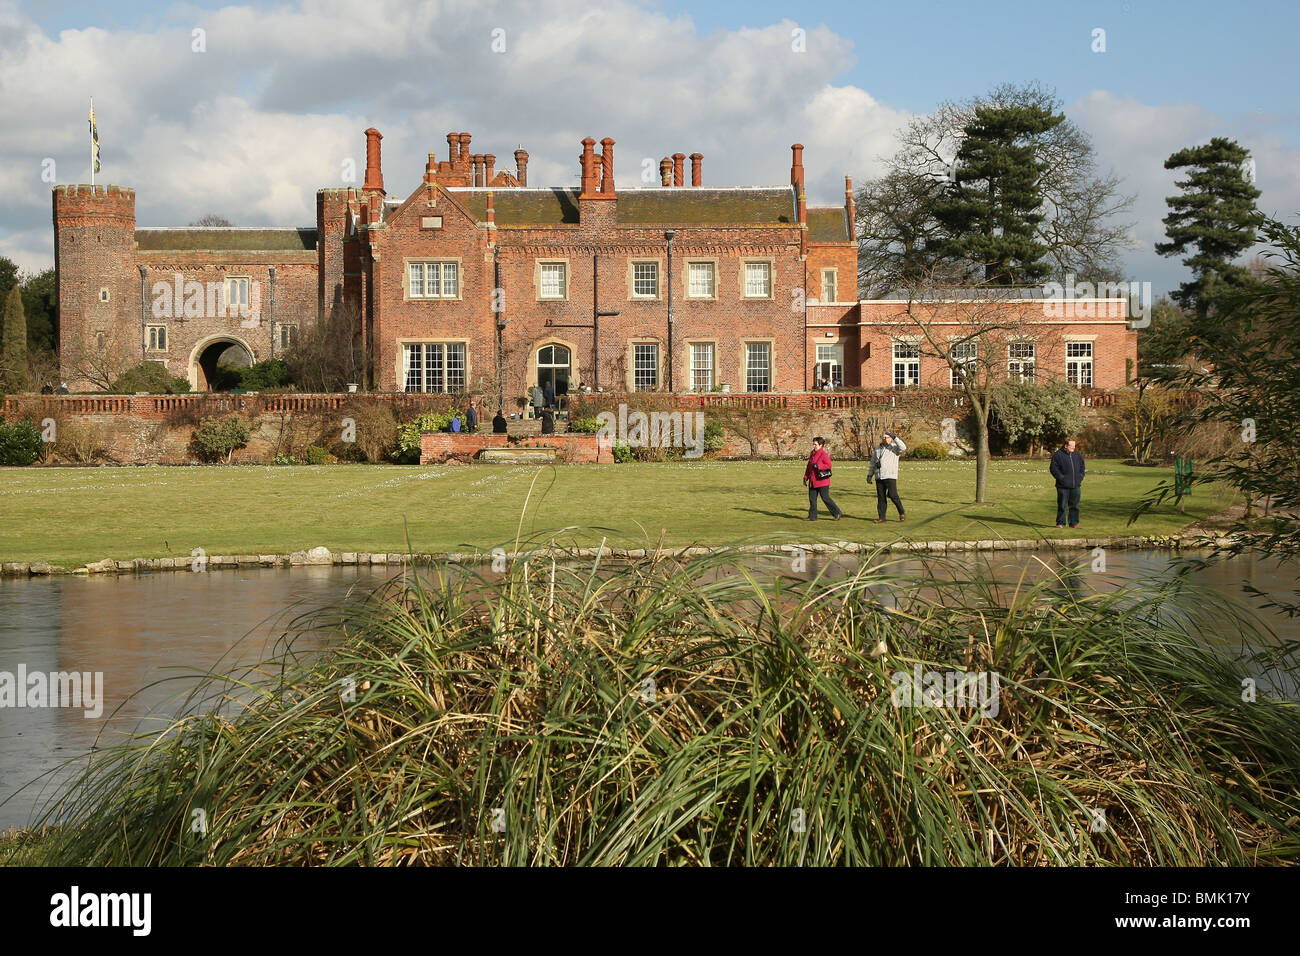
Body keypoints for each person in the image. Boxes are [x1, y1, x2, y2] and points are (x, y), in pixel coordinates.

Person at [867, 429, 907, 523]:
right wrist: (870, 475)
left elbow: (903, 447)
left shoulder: (895, 448)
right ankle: (882, 517)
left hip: (890, 475)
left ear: (891, 438)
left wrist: (895, 437)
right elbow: (873, 462)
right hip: (879, 476)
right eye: (883, 437)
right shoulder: (878, 448)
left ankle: (901, 512)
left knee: (893, 495)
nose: (885, 439)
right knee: (881, 498)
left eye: (887, 437)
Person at [802, 436, 843, 521]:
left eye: (815, 444)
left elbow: (829, 465)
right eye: (813, 444)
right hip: (812, 481)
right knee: (812, 499)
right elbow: (809, 466)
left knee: (825, 498)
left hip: (822, 481)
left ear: (821, 445)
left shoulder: (824, 455)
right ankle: (812, 516)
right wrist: (805, 477)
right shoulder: (812, 454)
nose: (814, 446)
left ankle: (837, 513)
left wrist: (819, 466)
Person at [1050, 437, 1086, 528]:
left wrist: (1080, 477)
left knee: (1075, 506)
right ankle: (1060, 523)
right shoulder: (1057, 455)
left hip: (1076, 485)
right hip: (1063, 486)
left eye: (1074, 446)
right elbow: (1053, 469)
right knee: (1062, 505)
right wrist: (1061, 478)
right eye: (1072, 446)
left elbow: (1082, 467)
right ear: (1066, 446)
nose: (1074, 448)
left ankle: (1074, 523)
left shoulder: (1077, 455)